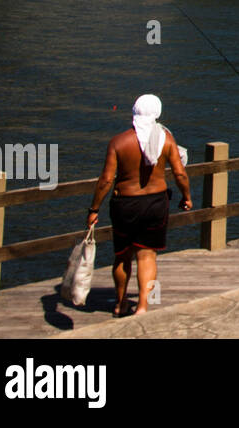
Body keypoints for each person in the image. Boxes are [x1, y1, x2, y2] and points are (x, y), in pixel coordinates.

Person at [87, 94, 192, 317]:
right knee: (147, 254)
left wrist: (94, 209)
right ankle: (143, 305)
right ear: (157, 113)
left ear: (134, 113)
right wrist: (187, 197)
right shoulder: (166, 140)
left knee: (123, 255)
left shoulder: (119, 142)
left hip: (125, 203)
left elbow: (106, 180)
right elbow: (180, 173)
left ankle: (121, 303)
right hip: (155, 202)